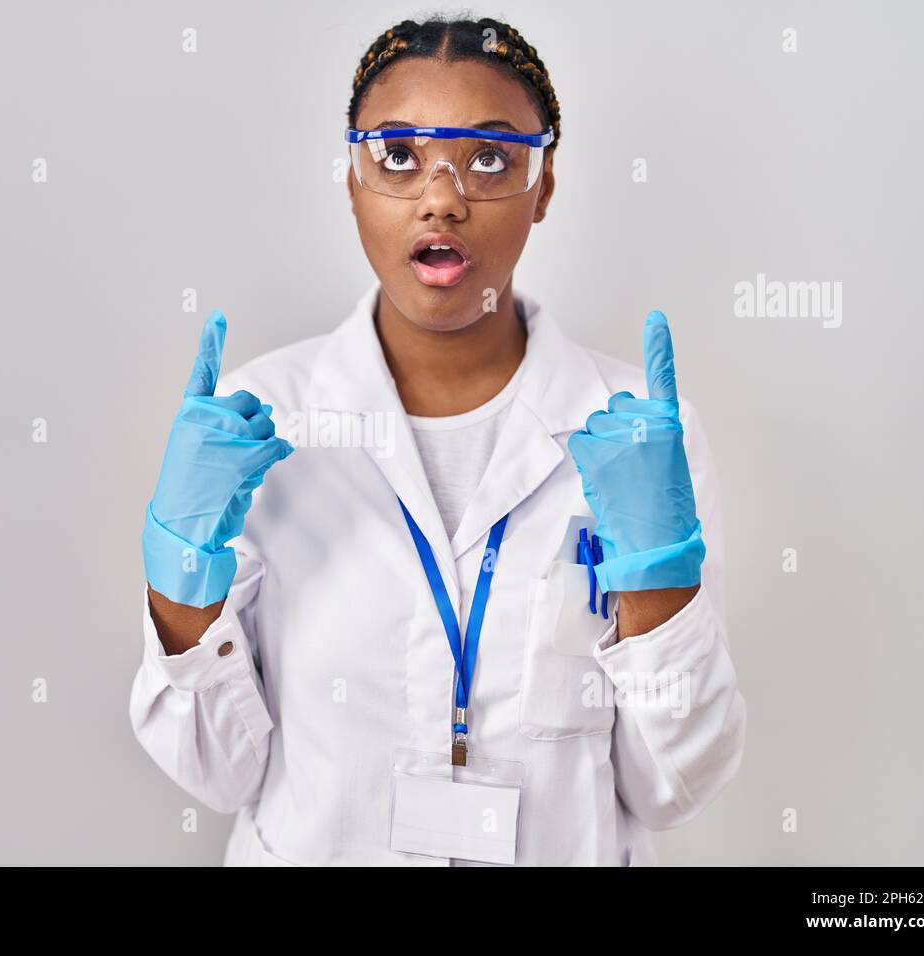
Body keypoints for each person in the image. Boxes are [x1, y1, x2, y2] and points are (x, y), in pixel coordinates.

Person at [130, 15, 746, 866]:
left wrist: (659, 584)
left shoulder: (636, 431)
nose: (442, 196)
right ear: (351, 180)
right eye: (397, 155)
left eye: (491, 157)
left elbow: (672, 787)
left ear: (546, 183)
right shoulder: (260, 421)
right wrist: (179, 578)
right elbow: (219, 776)